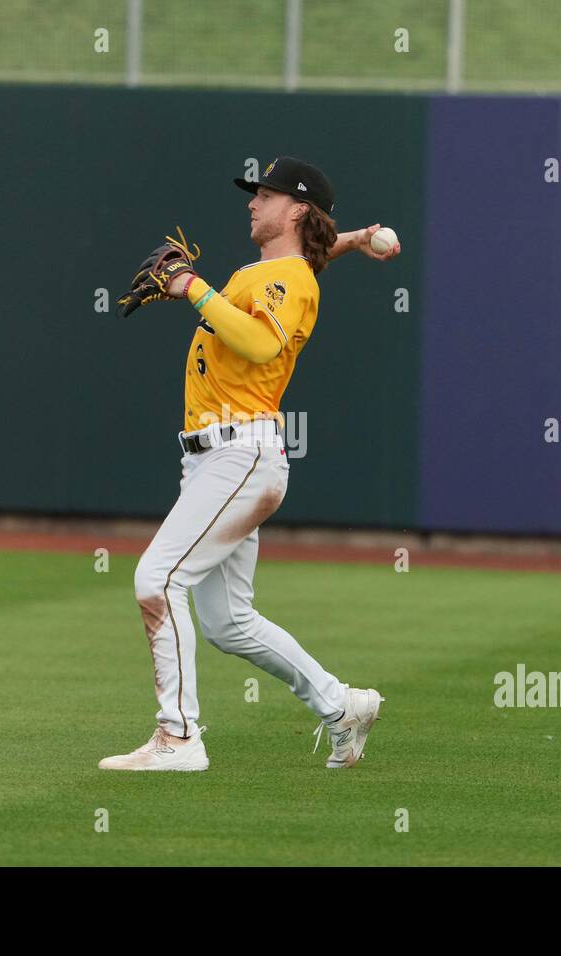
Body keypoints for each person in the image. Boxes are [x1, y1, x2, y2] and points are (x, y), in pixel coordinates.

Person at [101, 156, 401, 772]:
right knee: (229, 622)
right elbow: (305, 261)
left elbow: (263, 341)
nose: (251, 203)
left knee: (156, 580)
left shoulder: (288, 280)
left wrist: (191, 287)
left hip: (238, 453)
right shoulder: (281, 270)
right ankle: (340, 704)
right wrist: (355, 238)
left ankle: (179, 738)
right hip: (224, 458)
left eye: (263, 195)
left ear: (294, 209)